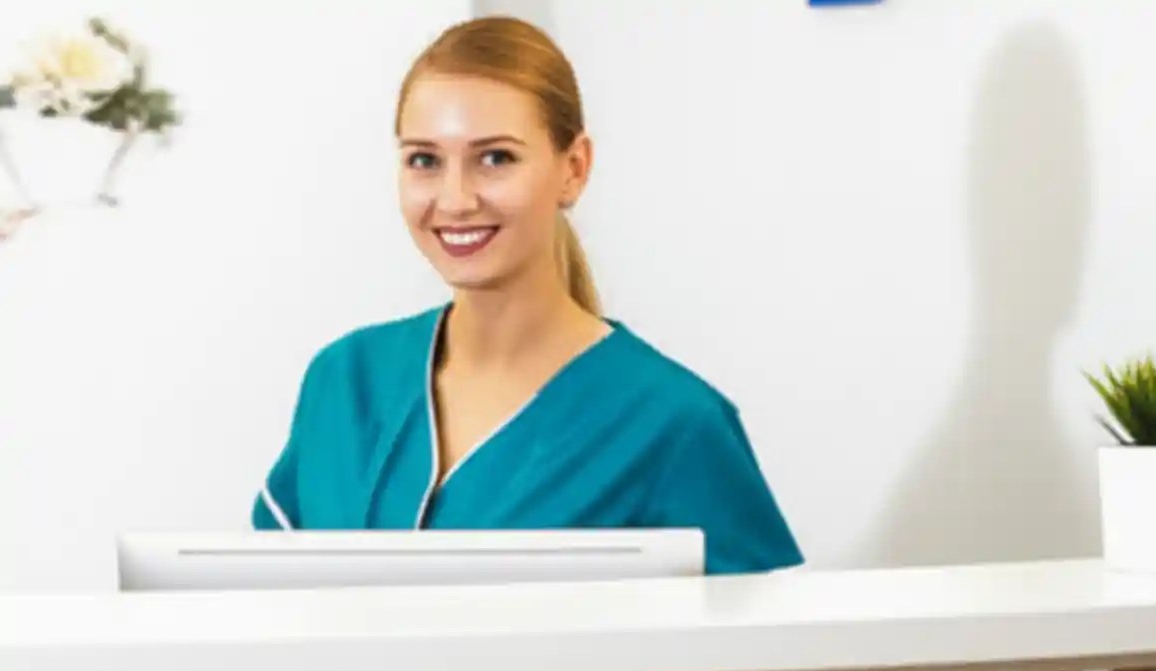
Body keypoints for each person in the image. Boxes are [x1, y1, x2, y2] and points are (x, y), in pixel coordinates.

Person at [251, 16, 803, 575]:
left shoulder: (673, 424)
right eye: (425, 160)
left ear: (575, 169)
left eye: (495, 158)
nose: (455, 198)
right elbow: (265, 608)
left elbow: (781, 651)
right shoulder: (345, 382)